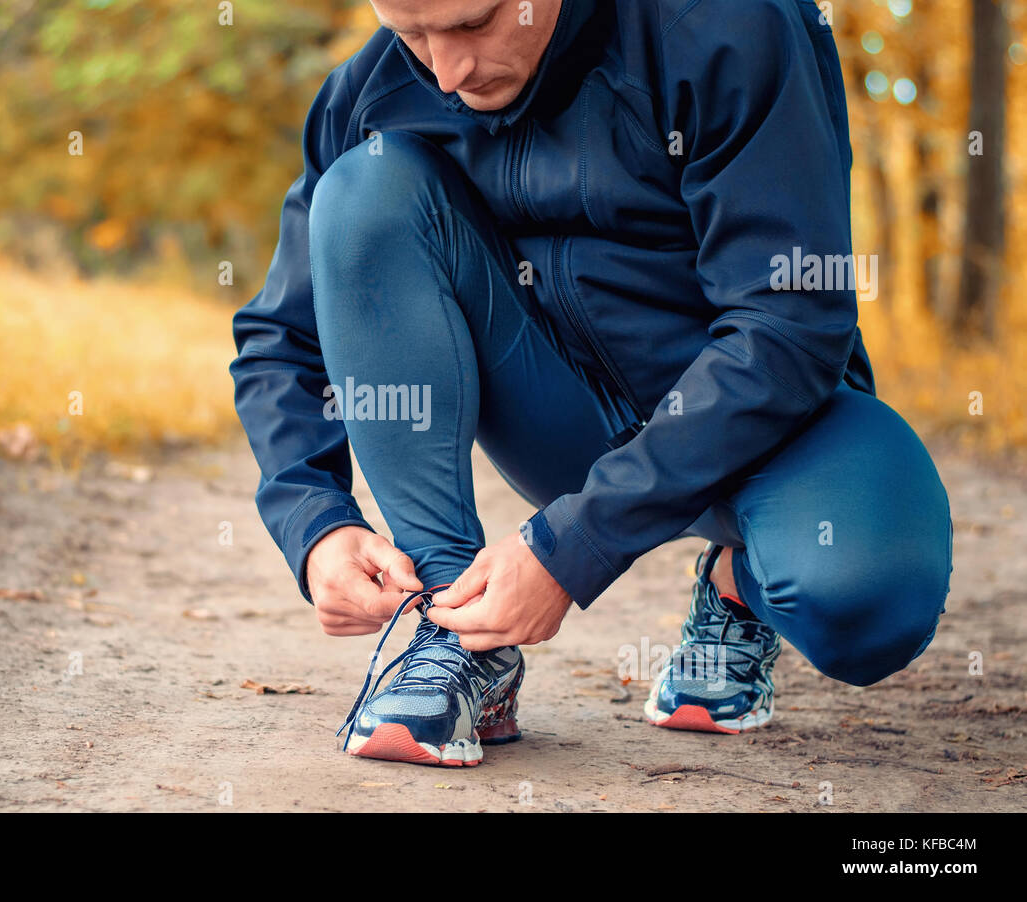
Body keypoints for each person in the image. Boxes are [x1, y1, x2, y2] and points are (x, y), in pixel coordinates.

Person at [230, 0, 952, 767]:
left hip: (773, 431)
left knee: (867, 605)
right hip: (559, 419)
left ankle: (741, 584)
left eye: (474, 26)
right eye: (413, 35)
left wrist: (573, 547)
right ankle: (463, 631)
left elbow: (788, 326)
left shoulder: (729, 26)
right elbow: (281, 338)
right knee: (361, 185)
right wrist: (315, 525)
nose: (447, 72)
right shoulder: (373, 90)